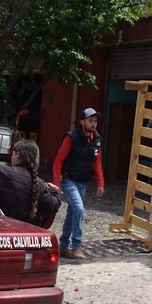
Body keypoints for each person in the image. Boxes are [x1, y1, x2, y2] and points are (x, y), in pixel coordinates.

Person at [0, 139, 61, 227]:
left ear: (17, 155)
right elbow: (50, 207)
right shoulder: (39, 184)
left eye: (13, 154)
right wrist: (54, 191)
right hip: (23, 235)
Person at [53, 107, 105, 259]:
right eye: (90, 121)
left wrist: (100, 182)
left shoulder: (96, 139)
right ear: (82, 122)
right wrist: (57, 183)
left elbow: (97, 161)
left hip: (82, 181)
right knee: (79, 210)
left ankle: (63, 246)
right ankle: (77, 246)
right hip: (69, 179)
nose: (93, 124)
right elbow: (59, 160)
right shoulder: (71, 137)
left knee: (72, 213)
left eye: (95, 121)